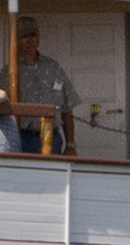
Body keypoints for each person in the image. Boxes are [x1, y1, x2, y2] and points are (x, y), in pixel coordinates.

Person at [10, 18, 80, 154]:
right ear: (17, 40)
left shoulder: (54, 67)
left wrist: (71, 144)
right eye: (25, 36)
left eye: (33, 35)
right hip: (22, 139)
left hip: (53, 138)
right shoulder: (10, 71)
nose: (30, 40)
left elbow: (67, 108)